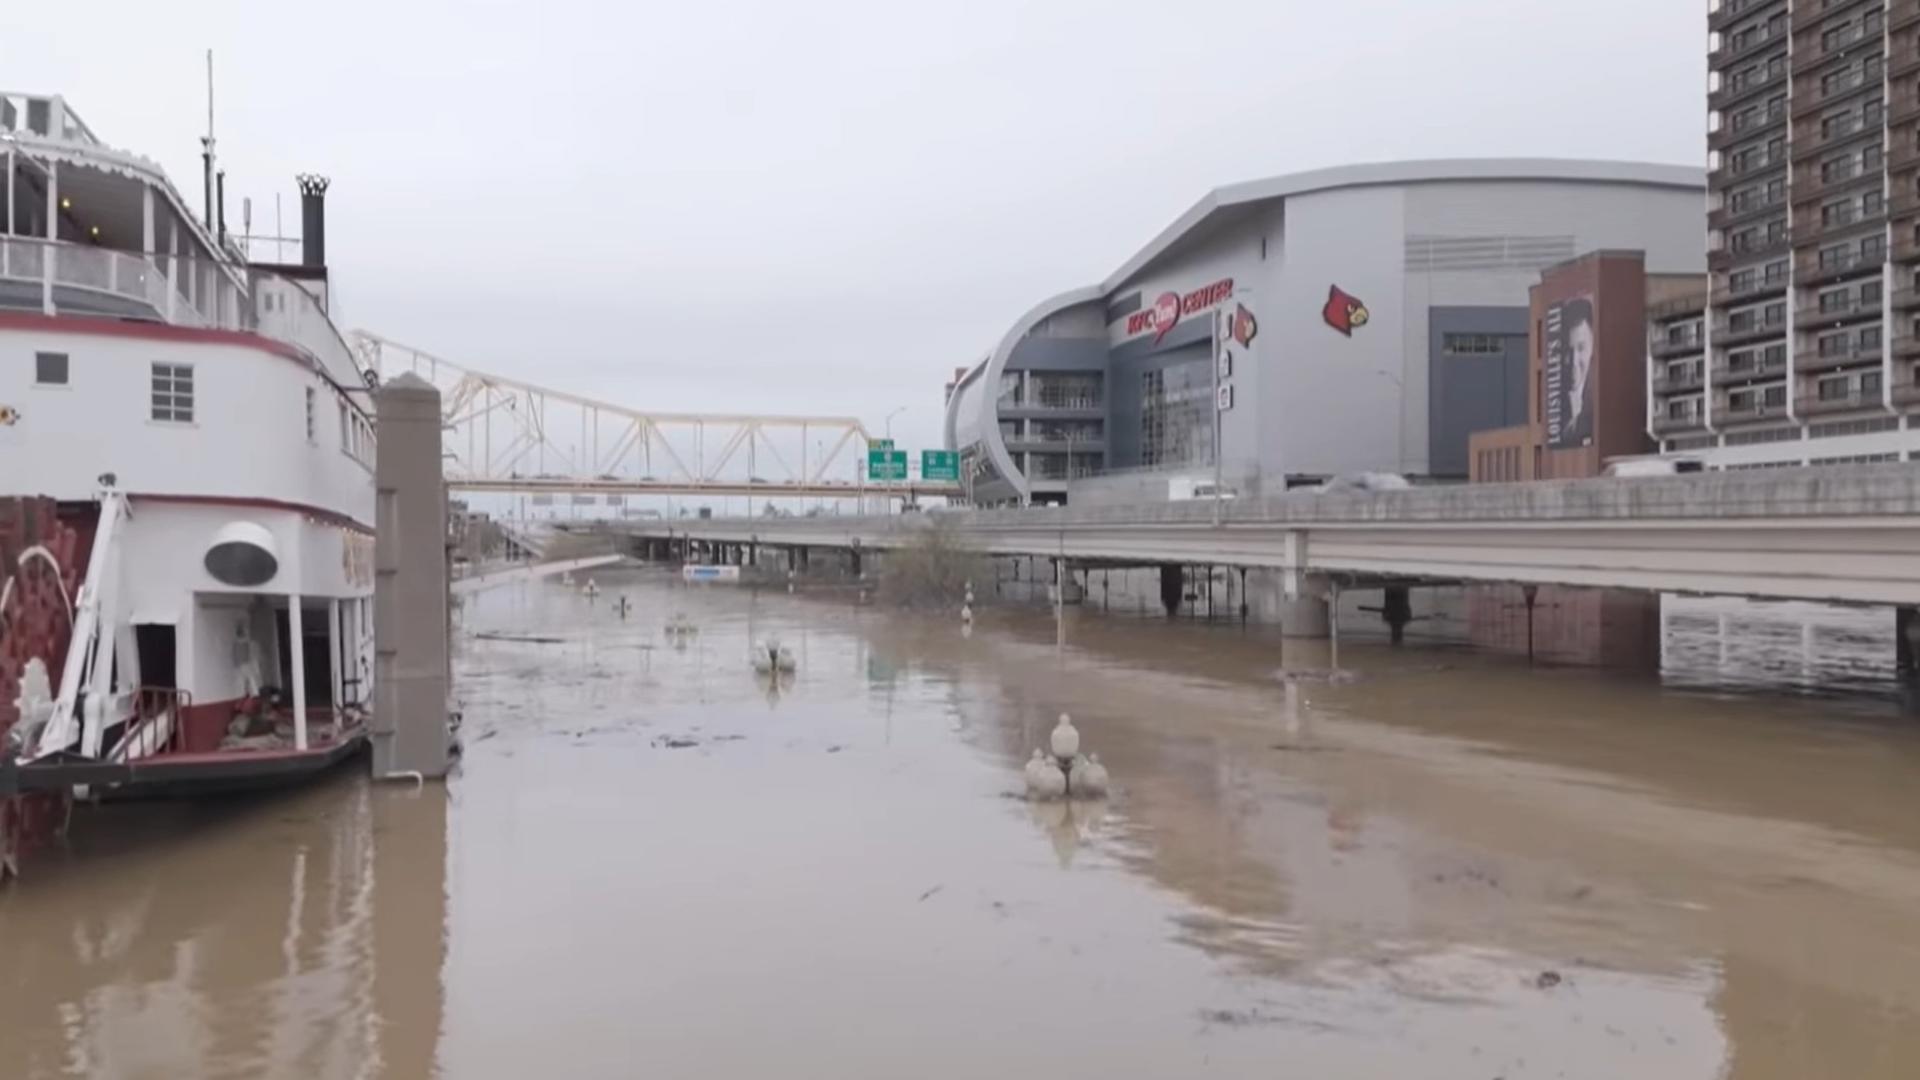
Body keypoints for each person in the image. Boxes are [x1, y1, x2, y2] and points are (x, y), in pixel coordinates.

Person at [1562, 298, 1595, 448]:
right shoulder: (1558, 401)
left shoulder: (1596, 397)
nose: (1574, 361)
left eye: (1581, 348)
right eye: (1569, 351)